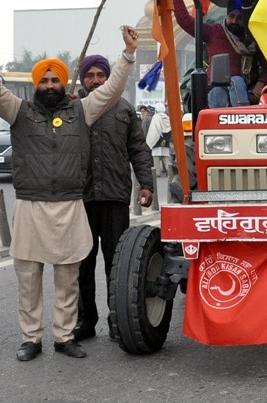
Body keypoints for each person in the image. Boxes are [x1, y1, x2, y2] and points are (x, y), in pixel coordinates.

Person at [0, 21, 138, 362]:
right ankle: (31, 339)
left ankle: (64, 336)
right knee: (29, 279)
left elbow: (111, 90)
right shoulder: (20, 112)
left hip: (69, 206)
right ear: (36, 84)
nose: (49, 85)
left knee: (68, 278)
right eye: (44, 80)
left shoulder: (81, 111)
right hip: (31, 206)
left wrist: (128, 55)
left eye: (54, 80)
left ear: (64, 83)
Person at [73, 54, 156, 342]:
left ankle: (116, 318)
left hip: (114, 196)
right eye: (90, 75)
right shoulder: (72, 108)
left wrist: (146, 183)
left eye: (101, 75)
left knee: (116, 263)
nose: (95, 80)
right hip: (79, 200)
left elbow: (138, 149)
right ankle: (84, 321)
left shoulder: (124, 108)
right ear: (82, 78)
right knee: (81, 264)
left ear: (109, 77)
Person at [173, 0, 267, 107]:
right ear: (226, 16)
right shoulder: (214, 32)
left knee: (237, 81)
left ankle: (242, 118)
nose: (234, 21)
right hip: (217, 92)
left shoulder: (254, 39)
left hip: (246, 92)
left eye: (239, 17)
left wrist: (260, 85)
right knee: (227, 84)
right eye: (231, 16)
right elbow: (185, 21)